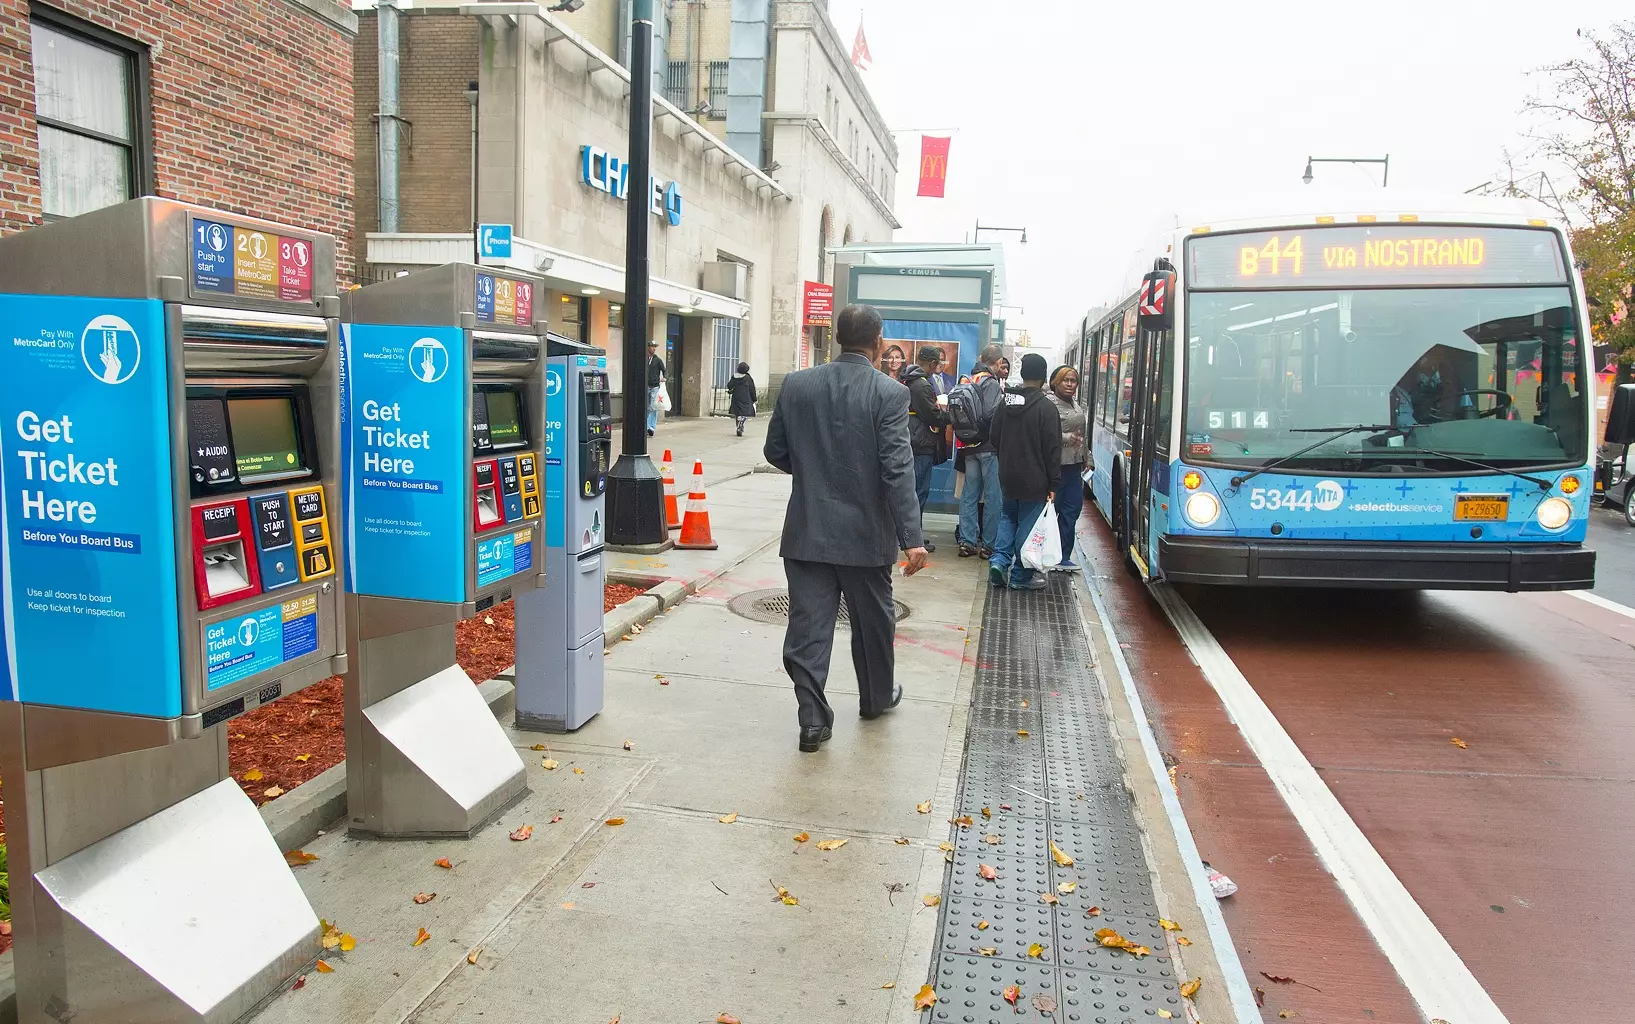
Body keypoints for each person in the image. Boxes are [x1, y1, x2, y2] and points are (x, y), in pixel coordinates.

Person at [765, 303, 928, 753]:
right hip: (865, 535)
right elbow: (898, 470)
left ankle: (813, 720)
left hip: (808, 529)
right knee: (874, 623)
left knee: (808, 629)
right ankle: (874, 699)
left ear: (838, 337)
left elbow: (774, 450)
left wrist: (812, 474)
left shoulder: (798, 384)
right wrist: (912, 539)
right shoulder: (890, 394)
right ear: (878, 344)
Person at [987, 353, 1061, 591]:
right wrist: (1053, 484)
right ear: (1043, 377)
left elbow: (993, 436)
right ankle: (1020, 575)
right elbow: (1053, 449)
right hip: (1035, 478)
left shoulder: (1006, 403)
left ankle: (998, 561)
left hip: (1007, 474)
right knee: (1027, 525)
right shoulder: (1046, 408)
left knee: (1008, 518)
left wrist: (1006, 458)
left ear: (1023, 373)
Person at [954, 344, 1007, 559]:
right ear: (998, 362)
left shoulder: (966, 380)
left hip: (968, 446)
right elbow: (993, 415)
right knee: (993, 496)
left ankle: (967, 541)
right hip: (988, 447)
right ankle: (988, 545)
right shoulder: (991, 383)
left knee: (969, 494)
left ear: (980, 358)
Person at [901, 345, 950, 551]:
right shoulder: (921, 385)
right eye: (936, 364)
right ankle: (913, 539)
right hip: (921, 444)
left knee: (913, 492)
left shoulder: (910, 380)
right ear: (931, 363)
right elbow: (932, 415)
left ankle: (913, 535)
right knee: (918, 492)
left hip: (913, 441)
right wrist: (946, 414)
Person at [1046, 365, 1086, 571]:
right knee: (1052, 512)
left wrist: (1088, 457)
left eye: (1073, 381)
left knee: (1072, 510)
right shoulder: (1049, 404)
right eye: (1066, 380)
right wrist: (1066, 438)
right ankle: (1048, 554)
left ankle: (1063, 555)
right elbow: (1045, 433)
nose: (1070, 385)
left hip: (1075, 466)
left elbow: (1081, 433)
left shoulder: (1075, 404)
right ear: (1055, 382)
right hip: (1057, 466)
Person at [727, 361, 757, 436]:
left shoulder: (734, 377)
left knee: (737, 413)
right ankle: (741, 423)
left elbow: (729, 385)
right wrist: (754, 399)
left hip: (736, 396)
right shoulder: (748, 378)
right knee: (745, 412)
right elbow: (752, 389)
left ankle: (738, 427)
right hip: (745, 397)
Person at [645, 340, 666, 437]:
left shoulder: (657, 360)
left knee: (653, 407)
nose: (654, 348)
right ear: (648, 347)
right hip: (646, 386)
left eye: (655, 347)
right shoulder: (645, 359)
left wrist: (664, 377)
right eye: (652, 346)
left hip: (654, 386)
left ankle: (651, 427)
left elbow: (664, 370)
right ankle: (646, 426)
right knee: (647, 407)